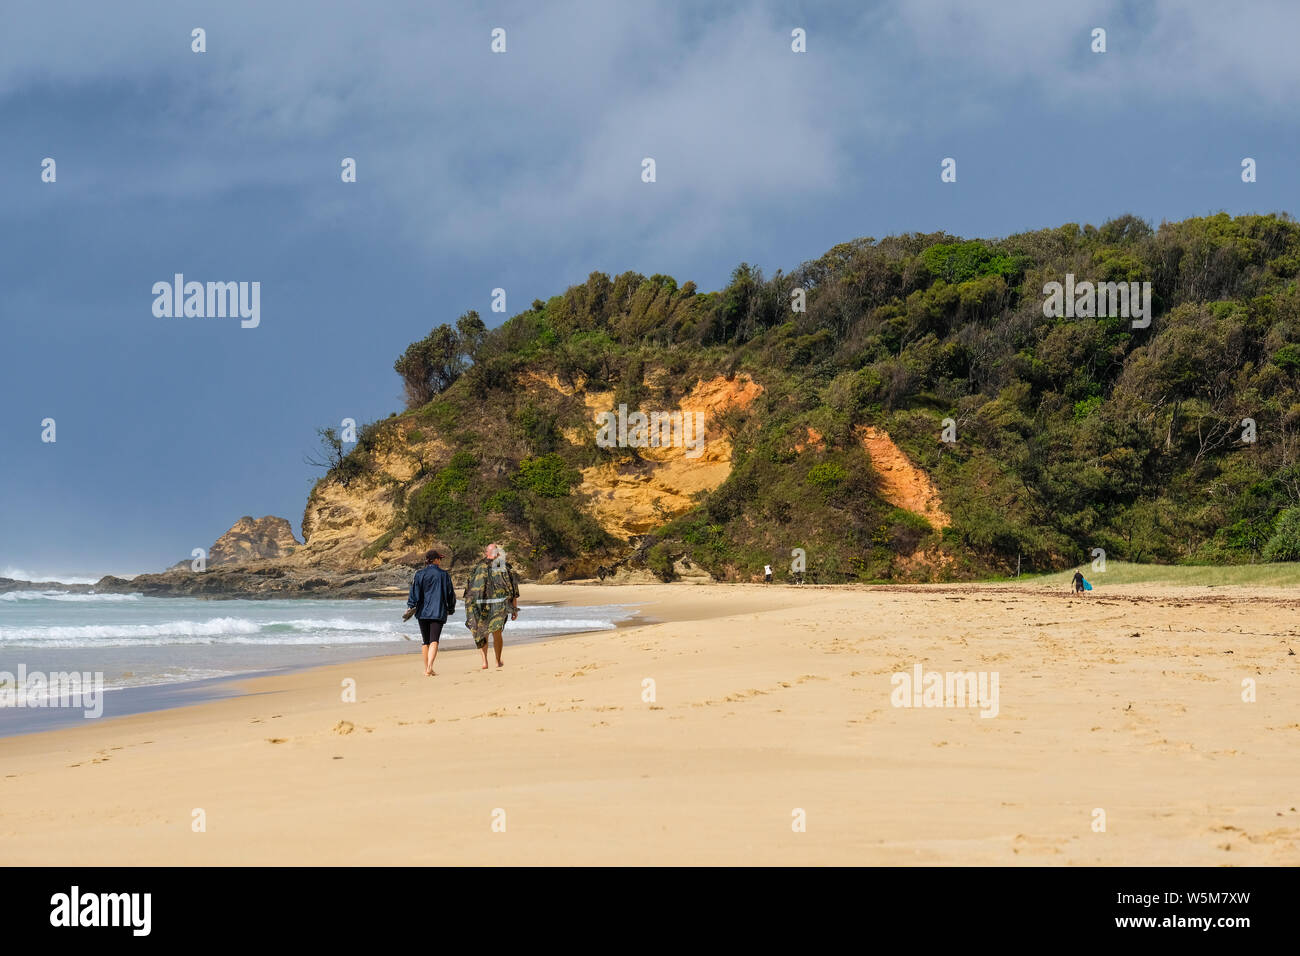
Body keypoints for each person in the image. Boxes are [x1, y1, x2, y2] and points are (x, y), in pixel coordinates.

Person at [463, 543, 519, 669]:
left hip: (480, 605)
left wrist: (469, 610)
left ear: (485, 553)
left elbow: (468, 591)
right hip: (498, 605)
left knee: (483, 633)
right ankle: (498, 660)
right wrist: (514, 608)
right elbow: (513, 589)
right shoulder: (503, 567)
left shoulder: (477, 567)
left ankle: (484, 661)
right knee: (497, 633)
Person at [403, 549, 456, 676]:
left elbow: (414, 592)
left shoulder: (419, 574)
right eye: (440, 559)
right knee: (434, 640)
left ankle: (427, 668)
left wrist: (410, 606)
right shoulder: (444, 575)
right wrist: (451, 608)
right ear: (436, 560)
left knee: (425, 641)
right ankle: (430, 667)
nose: (441, 561)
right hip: (438, 611)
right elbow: (450, 594)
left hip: (422, 612)